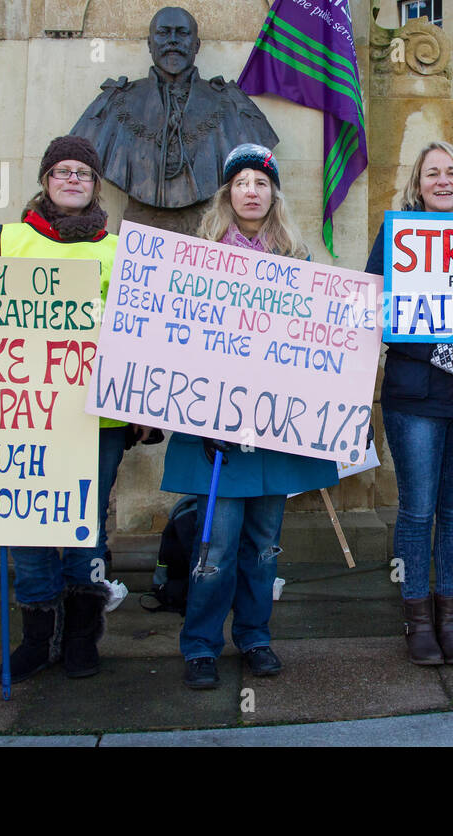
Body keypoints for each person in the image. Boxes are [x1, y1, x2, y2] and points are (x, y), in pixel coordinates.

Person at [160, 144, 338, 690]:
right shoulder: (198, 258)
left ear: (273, 194)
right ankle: (201, 645)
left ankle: (256, 637)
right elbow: (177, 344)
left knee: (264, 544)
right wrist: (201, 417)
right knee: (216, 541)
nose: (251, 191)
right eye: (241, 182)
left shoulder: (298, 262)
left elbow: (313, 349)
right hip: (211, 429)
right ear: (228, 193)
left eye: (261, 182)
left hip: (274, 432)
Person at [0, 135, 155, 682]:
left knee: (86, 524)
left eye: (82, 172)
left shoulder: (117, 250)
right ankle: (39, 637)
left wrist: (141, 404)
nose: (72, 179)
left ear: (96, 183)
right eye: (61, 171)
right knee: (28, 521)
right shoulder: (9, 241)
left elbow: (137, 332)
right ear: (44, 181)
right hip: (25, 410)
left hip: (96, 414)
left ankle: (83, 636)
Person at [365, 141, 453, 666]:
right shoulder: (397, 233)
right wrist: (440, 351)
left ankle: (451, 613)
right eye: (432, 174)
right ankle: (416, 615)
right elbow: (375, 308)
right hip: (413, 398)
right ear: (418, 184)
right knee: (419, 510)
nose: (443, 181)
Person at [71, 6, 279, 218]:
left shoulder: (232, 104)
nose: (172, 40)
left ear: (196, 45)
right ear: (149, 44)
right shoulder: (113, 103)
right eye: (163, 33)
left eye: (182, 33)